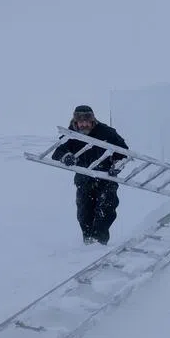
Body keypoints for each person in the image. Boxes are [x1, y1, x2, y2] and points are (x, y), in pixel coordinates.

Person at [51, 105, 129, 245]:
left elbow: (124, 153)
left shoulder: (107, 132)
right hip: (83, 180)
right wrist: (66, 156)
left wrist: (116, 166)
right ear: (76, 122)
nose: (84, 124)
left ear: (93, 120)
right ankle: (88, 243)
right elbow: (57, 153)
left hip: (106, 179)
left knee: (105, 210)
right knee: (84, 214)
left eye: (87, 121)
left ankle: (99, 242)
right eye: (80, 122)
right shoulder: (70, 135)